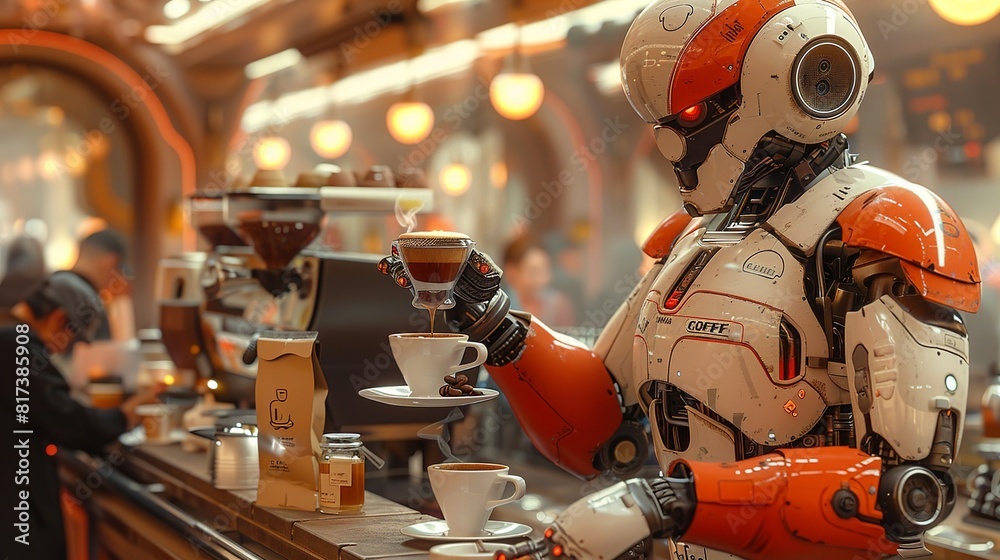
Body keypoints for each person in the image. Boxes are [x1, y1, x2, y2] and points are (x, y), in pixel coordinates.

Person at [3, 254, 157, 560]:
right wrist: (125, 415)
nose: (63, 349)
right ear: (59, 319)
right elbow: (68, 420)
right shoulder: (15, 345)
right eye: (71, 338)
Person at [64, 229, 133, 341]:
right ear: (110, 262)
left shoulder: (51, 283)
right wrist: (122, 301)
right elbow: (122, 345)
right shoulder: (88, 301)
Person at [501, 236, 575, 328]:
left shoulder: (559, 306)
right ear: (511, 272)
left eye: (545, 270)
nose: (542, 280)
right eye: (534, 272)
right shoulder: (500, 308)